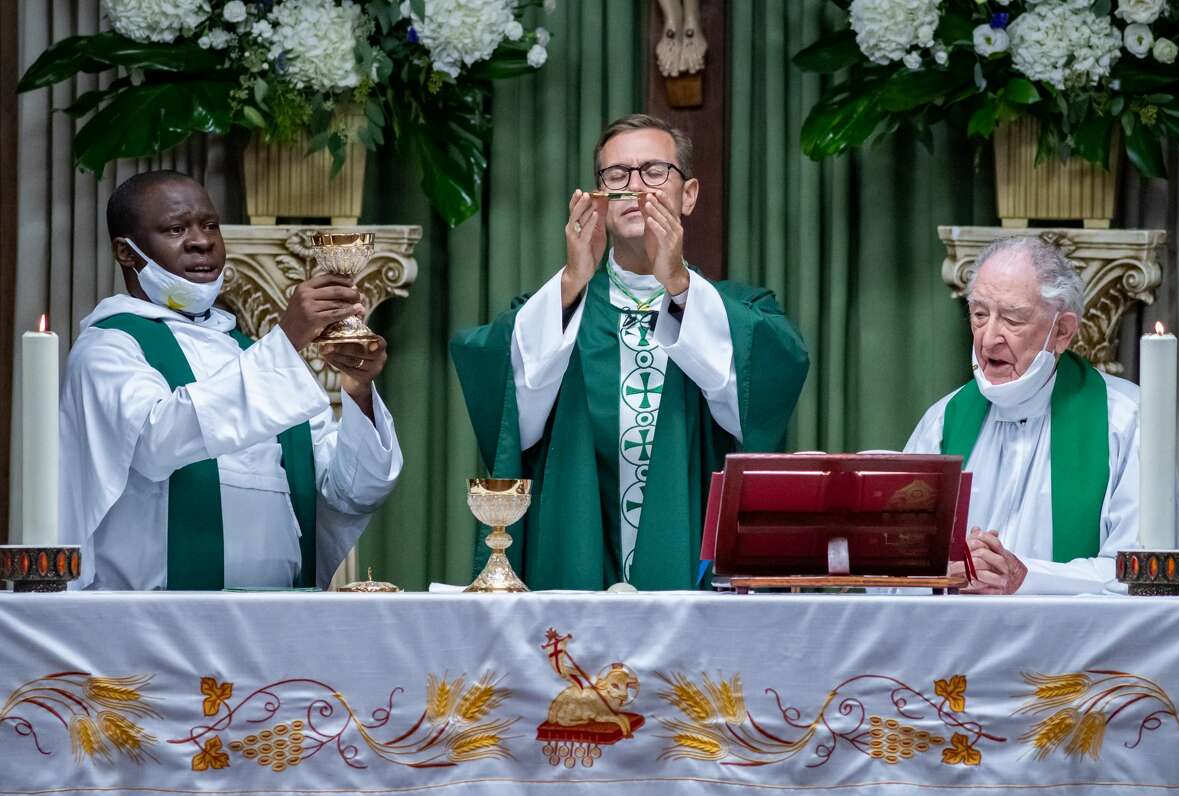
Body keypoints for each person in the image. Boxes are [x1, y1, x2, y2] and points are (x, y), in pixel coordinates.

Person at [451, 114, 809, 591]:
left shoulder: (737, 312)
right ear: (597, 199)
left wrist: (677, 283)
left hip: (690, 562)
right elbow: (510, 414)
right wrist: (572, 281)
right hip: (577, 554)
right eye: (617, 175)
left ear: (689, 195)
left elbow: (763, 396)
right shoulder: (559, 310)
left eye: (655, 171)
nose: (635, 187)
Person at [60, 170, 402, 590]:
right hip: (156, 616)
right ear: (126, 252)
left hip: (275, 611)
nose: (201, 241)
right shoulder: (110, 346)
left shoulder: (249, 355)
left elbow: (350, 493)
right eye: (176, 229)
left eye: (209, 226)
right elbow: (157, 440)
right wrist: (287, 339)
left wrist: (358, 390)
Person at [905, 236, 1179, 594]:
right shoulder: (943, 422)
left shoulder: (1125, 420)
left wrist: (1027, 579)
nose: (988, 339)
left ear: (1062, 331)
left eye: (1012, 319)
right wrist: (939, 574)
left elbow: (1148, 575)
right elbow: (890, 572)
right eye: (979, 315)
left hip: (1076, 632)